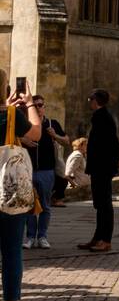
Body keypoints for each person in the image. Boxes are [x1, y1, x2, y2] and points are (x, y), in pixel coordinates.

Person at [0, 74, 41, 301]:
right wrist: (29, 105)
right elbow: (36, 134)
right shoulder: (12, 117)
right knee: (12, 252)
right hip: (9, 194)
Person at [81, 88, 119, 252]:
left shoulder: (103, 118)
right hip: (100, 167)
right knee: (100, 204)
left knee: (104, 204)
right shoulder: (101, 117)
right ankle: (97, 237)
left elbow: (112, 144)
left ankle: (105, 240)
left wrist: (113, 161)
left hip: (102, 168)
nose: (89, 102)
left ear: (95, 100)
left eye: (90, 99)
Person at [24, 94, 66, 249]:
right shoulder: (27, 124)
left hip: (47, 171)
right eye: (35, 105)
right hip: (27, 170)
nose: (38, 108)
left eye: (41, 105)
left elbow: (67, 140)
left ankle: (42, 236)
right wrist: (24, 140)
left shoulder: (52, 123)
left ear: (44, 107)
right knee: (29, 206)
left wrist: (55, 135)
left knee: (45, 205)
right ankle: (29, 237)